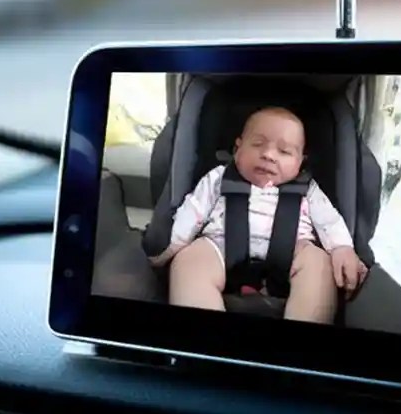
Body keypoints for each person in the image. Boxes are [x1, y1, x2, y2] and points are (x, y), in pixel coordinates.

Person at [149, 106, 368, 323]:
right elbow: (192, 211)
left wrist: (342, 248)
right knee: (188, 261)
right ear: (238, 149)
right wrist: (170, 248)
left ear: (300, 161)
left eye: (284, 151)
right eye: (258, 144)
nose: (268, 155)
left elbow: (330, 222)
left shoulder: (309, 190)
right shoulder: (218, 178)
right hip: (219, 245)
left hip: (295, 249)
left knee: (320, 264)